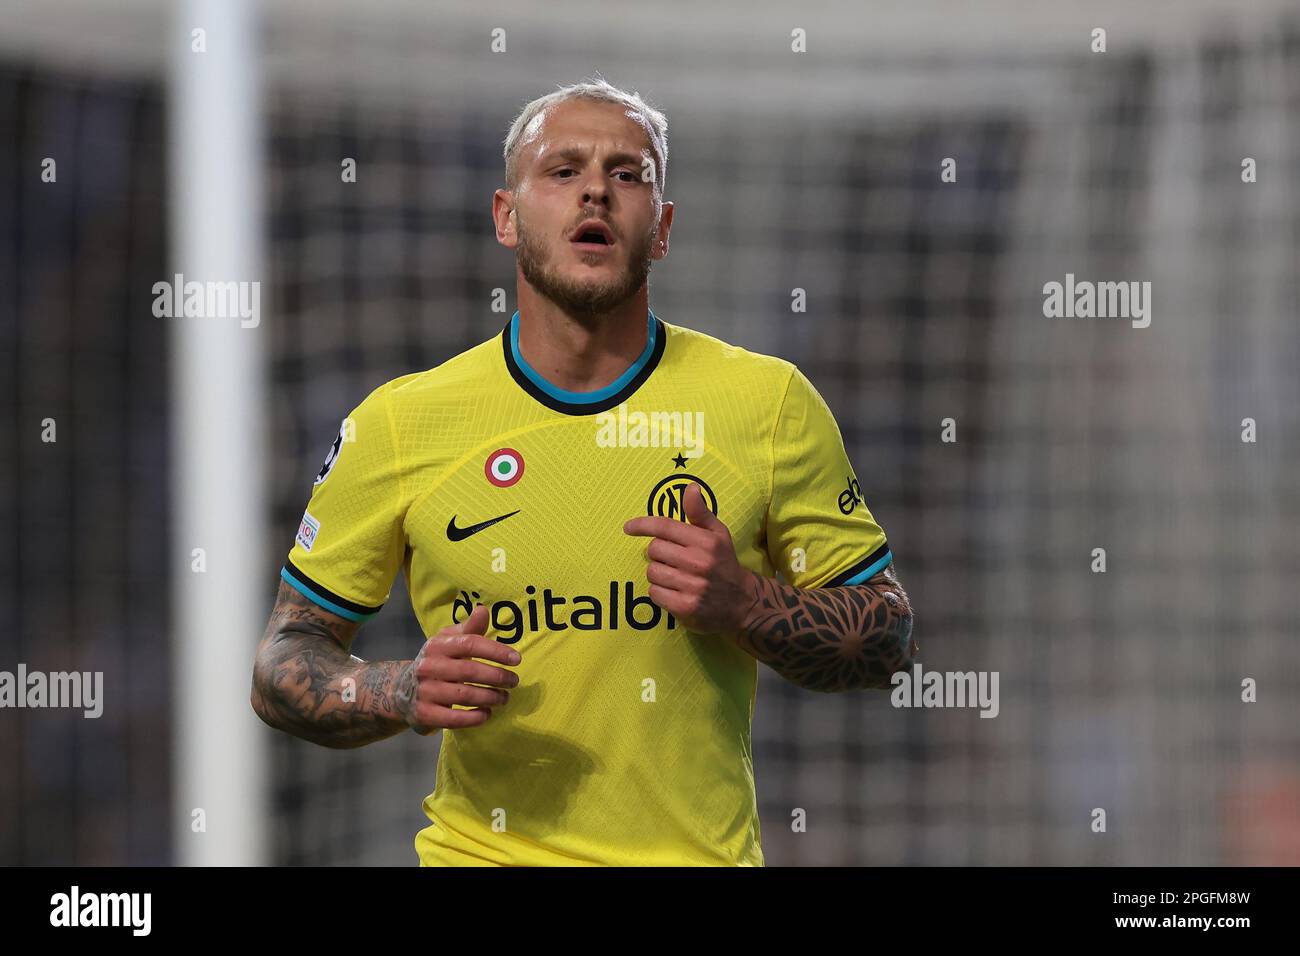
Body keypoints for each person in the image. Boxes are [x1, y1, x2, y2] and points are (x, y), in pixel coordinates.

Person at [250, 77, 915, 866]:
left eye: (627, 173)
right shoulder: (401, 423)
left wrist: (745, 601)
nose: (596, 188)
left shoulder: (766, 404)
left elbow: (888, 638)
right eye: (562, 170)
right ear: (507, 215)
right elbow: (284, 662)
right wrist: (399, 689)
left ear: (661, 228)